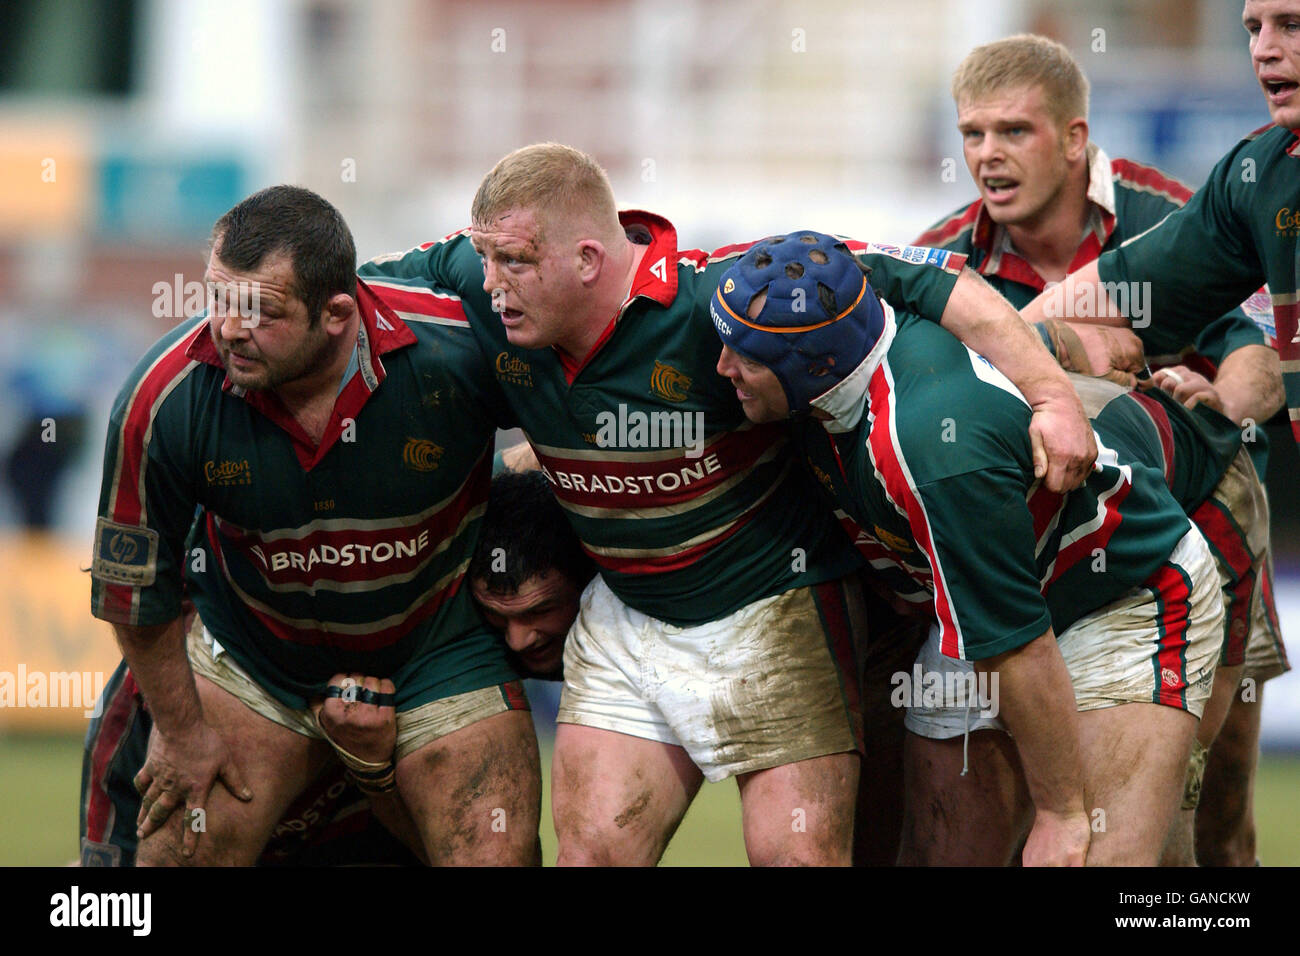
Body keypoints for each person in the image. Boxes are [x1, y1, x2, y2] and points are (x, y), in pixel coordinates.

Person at [360, 142, 1112, 865]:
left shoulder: (723, 297)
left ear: (587, 258)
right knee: (593, 854)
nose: (489, 283)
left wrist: (1052, 397)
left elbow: (936, 280)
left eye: (511, 263)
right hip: (631, 613)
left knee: (797, 856)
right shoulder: (488, 272)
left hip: (776, 603)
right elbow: (346, 292)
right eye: (486, 258)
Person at [711, 233, 1225, 865]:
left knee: (1091, 857)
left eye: (746, 358)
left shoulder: (932, 451)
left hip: (1120, 596)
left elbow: (1015, 647)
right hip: (986, 598)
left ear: (816, 367)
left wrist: (1060, 814)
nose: (722, 370)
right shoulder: (827, 291)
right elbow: (934, 277)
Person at [917, 32, 1288, 865]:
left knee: (1219, 813)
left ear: (1077, 138)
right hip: (1051, 568)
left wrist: (1219, 398)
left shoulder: (1173, 215)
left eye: (1014, 131)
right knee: (1070, 812)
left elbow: (1261, 356)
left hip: (1212, 538)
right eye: (972, 134)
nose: (987, 155)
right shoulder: (945, 258)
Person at [88, 185, 540, 866]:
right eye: (218, 298)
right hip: (252, 658)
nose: (229, 328)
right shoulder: (164, 399)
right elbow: (134, 595)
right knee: (182, 852)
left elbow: (575, 427)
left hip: (438, 654)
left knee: (495, 854)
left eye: (260, 310)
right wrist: (183, 736)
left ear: (336, 314)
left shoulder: (460, 347)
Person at [81, 468, 591, 865]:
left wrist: (373, 771)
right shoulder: (145, 707)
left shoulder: (440, 663)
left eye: (540, 611)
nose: (521, 639)